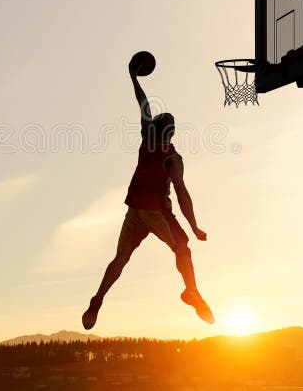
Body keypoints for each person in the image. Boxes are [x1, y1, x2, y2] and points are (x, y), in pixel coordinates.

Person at [81, 57, 214, 330]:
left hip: (134, 214)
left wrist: (134, 78)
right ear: (173, 132)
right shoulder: (172, 157)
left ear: (156, 127)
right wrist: (194, 226)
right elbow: (182, 195)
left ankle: (97, 299)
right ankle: (191, 291)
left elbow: (143, 105)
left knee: (120, 259)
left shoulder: (147, 138)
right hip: (156, 213)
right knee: (183, 249)